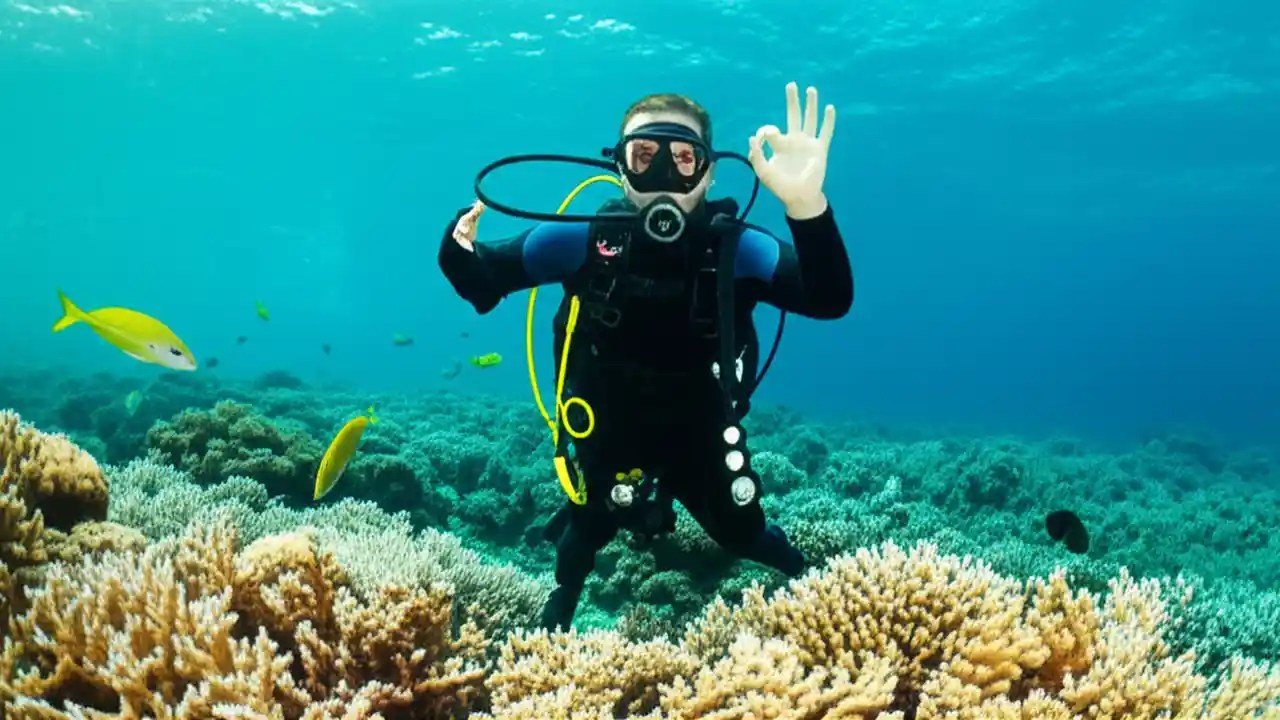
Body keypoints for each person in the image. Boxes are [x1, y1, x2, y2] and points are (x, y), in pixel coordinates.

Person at [438, 81, 854, 631]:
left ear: (708, 173)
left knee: (743, 533)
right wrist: (456, 245)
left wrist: (807, 207)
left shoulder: (734, 248)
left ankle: (821, 589)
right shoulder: (586, 240)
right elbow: (482, 281)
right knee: (585, 531)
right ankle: (561, 604)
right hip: (606, 433)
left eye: (684, 160)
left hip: (702, 435)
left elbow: (829, 299)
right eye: (644, 158)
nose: (663, 179)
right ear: (620, 170)